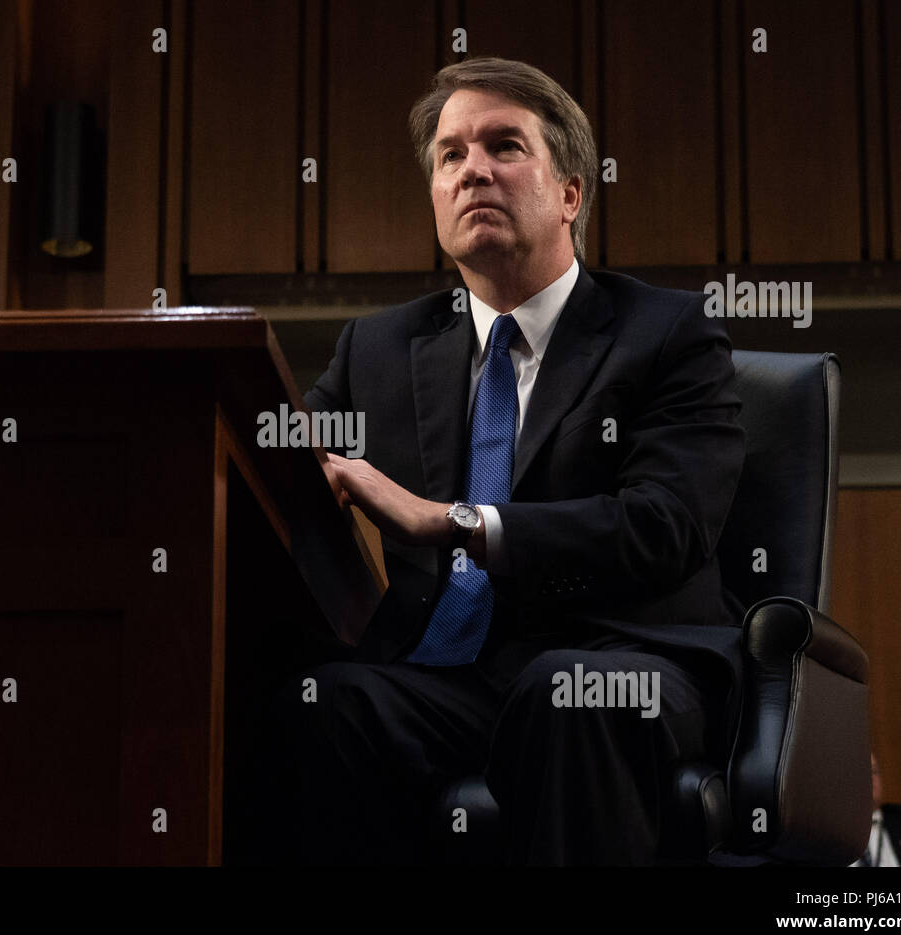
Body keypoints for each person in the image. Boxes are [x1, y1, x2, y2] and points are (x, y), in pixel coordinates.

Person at [266, 56, 746, 865]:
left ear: (571, 193)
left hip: (620, 661)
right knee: (324, 703)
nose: (473, 170)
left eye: (504, 146)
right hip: (448, 675)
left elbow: (664, 526)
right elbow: (288, 468)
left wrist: (452, 522)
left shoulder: (668, 333)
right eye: (451, 155)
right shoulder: (378, 348)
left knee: (566, 693)